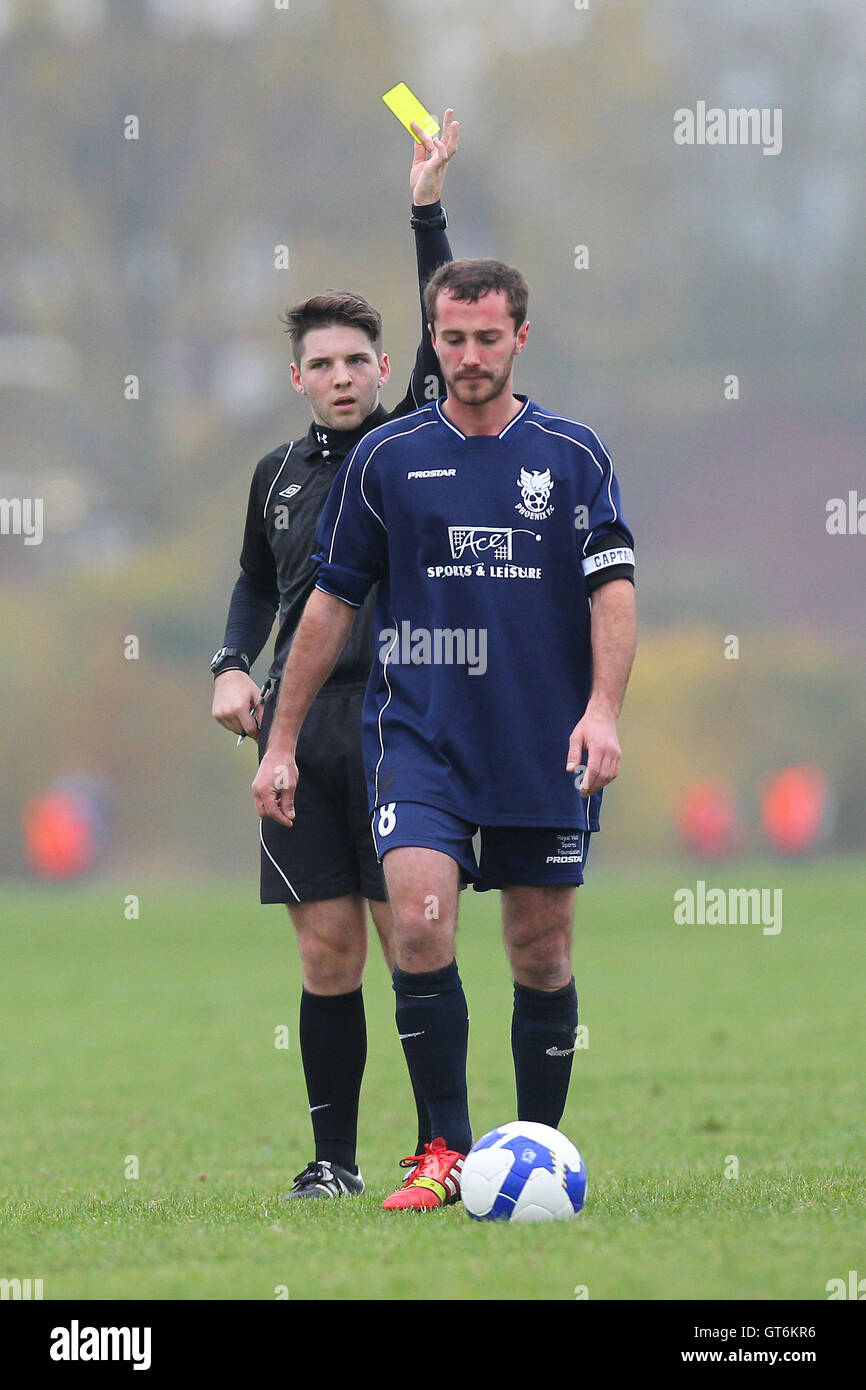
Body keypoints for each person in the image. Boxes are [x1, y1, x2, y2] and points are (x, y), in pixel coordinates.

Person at [253, 257, 637, 1210]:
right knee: (420, 925)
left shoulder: (573, 454)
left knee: (541, 951)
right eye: (452, 339)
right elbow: (331, 601)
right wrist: (282, 739)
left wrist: (602, 712)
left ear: (520, 339)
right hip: (419, 738)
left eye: (488, 338)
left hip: (540, 740)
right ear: (432, 341)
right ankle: (446, 1153)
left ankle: (539, 1150)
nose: (470, 356)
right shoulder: (390, 460)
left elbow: (614, 592)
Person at [210, 112, 459, 1200]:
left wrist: (425, 208)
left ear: (385, 367)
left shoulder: (412, 445)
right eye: (323, 363)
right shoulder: (273, 473)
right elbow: (257, 581)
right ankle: (331, 1161)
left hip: (399, 717)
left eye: (361, 358)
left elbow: (447, 319)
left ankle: (440, 1147)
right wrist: (230, 662)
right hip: (297, 731)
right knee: (324, 954)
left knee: (413, 935)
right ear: (298, 377)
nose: (344, 375)